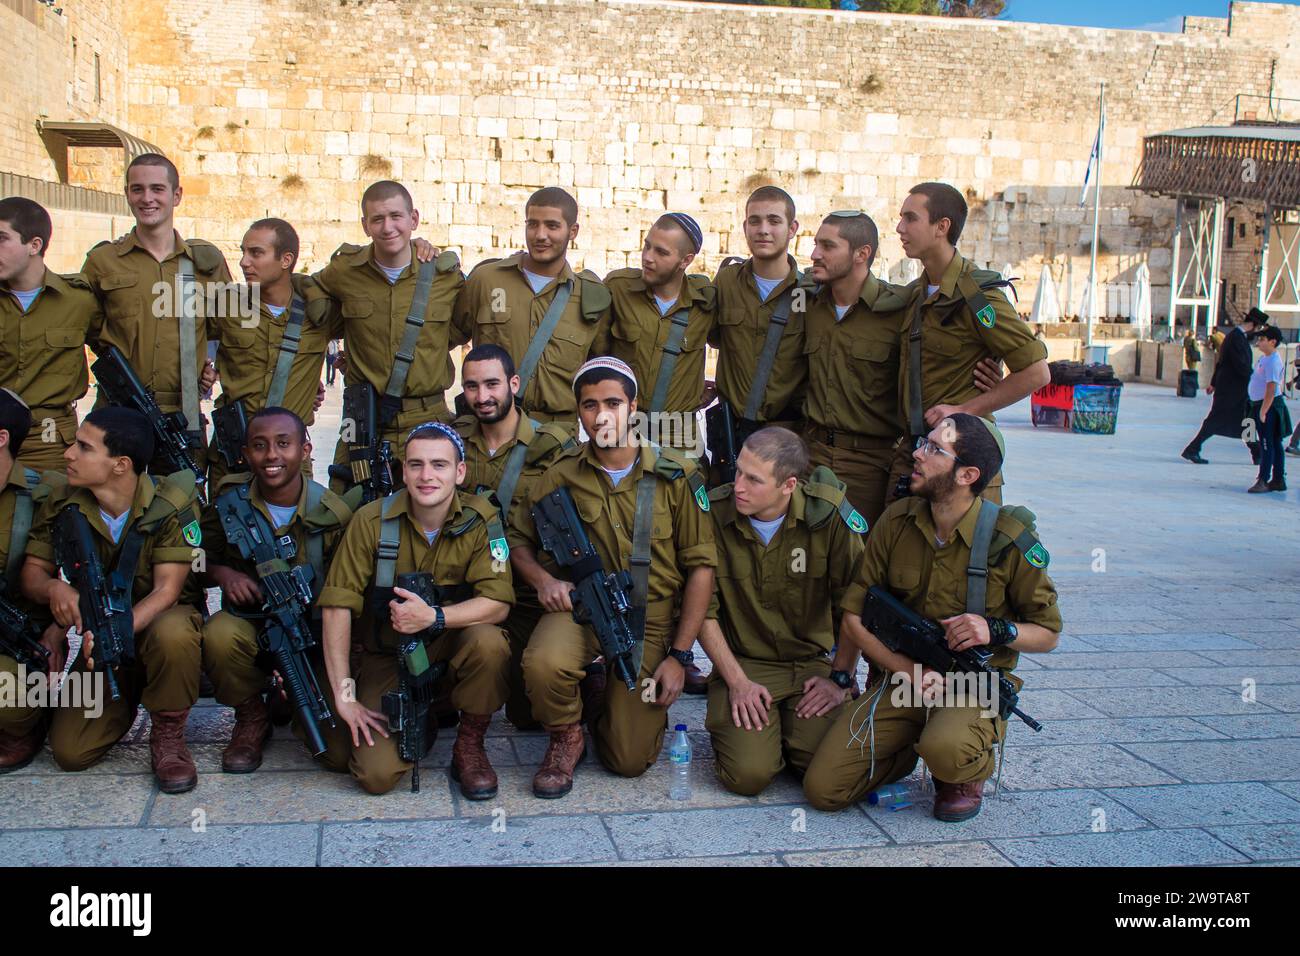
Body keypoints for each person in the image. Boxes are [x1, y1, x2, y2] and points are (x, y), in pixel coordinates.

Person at [803, 414, 1061, 820]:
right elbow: (854, 615)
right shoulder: (898, 520)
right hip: (908, 682)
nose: (917, 455)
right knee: (824, 789)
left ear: (967, 475)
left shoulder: (1006, 539)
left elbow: (1048, 634)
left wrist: (996, 629)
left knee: (947, 749)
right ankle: (910, 745)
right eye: (923, 443)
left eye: (934, 450)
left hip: (970, 687)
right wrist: (905, 670)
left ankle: (966, 768)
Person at [508, 357, 716, 798]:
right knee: (544, 664)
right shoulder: (559, 474)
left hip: (651, 620)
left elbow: (701, 568)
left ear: (634, 407)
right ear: (578, 411)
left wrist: (679, 657)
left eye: (613, 402)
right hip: (582, 610)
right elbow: (517, 542)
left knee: (627, 760)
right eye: (589, 405)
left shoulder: (677, 474)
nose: (601, 415)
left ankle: (603, 701)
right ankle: (566, 736)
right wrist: (543, 582)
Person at [316, 422, 513, 797]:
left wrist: (435, 617)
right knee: (374, 775)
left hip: (451, 650)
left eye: (439, 465)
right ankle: (426, 714)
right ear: (402, 470)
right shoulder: (370, 521)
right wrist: (346, 697)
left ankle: (469, 743)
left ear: (460, 472)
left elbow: (498, 603)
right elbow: (336, 608)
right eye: (416, 465)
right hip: (391, 657)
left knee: (489, 643)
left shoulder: (481, 519)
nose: (427, 476)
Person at [20, 407, 205, 792]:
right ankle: (116, 699)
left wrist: (111, 633)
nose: (69, 453)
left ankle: (168, 734)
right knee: (71, 752)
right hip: (98, 641)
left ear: (121, 465)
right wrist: (55, 589)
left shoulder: (171, 503)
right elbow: (33, 574)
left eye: (84, 448)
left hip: (153, 628)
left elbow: (166, 592)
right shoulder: (61, 500)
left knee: (174, 633)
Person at [699, 426, 866, 796]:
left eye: (753, 480)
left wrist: (840, 678)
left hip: (812, 665)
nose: (738, 486)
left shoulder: (830, 518)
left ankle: (788, 734)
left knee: (829, 769)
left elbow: (856, 606)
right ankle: (763, 736)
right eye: (738, 471)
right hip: (744, 663)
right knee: (748, 776)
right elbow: (702, 613)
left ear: (789, 485)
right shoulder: (713, 514)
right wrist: (737, 683)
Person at [199, 407, 359, 772]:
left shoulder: (332, 514)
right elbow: (192, 559)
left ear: (305, 451)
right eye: (259, 445)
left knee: (336, 754)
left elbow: (350, 589)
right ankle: (252, 715)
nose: (271, 455)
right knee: (219, 635)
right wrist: (224, 574)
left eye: (283, 444)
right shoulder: (228, 504)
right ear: (245, 453)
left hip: (313, 637)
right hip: (251, 627)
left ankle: (290, 698)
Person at [890, 182, 1050, 504]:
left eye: (911, 218)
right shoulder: (916, 295)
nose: (900, 228)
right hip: (917, 455)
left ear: (941, 227)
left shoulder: (977, 296)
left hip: (960, 461)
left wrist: (964, 409)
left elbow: (1036, 373)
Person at [80, 154, 232, 474]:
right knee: (109, 515)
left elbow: (226, 328)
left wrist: (211, 366)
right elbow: (89, 329)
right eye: (137, 189)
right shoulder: (103, 261)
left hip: (182, 415)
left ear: (176, 195)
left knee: (180, 513)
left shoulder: (205, 263)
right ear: (127, 194)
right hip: (117, 411)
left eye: (157, 189)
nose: (147, 198)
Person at [452, 343, 576, 729]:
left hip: (528, 595)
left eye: (492, 384)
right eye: (471, 387)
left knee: (529, 717)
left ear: (514, 383)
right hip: (471, 591)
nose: (482, 397)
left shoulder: (552, 447)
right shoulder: (452, 440)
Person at [314, 180, 466, 490]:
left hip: (427, 416)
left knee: (430, 515)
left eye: (396, 216)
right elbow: (304, 307)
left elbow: (459, 329)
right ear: (365, 225)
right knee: (346, 509)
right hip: (360, 420)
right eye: (377, 219)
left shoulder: (444, 277)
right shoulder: (344, 272)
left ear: (414, 219)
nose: (388, 227)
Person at [453, 187, 611, 433]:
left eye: (552, 226)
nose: (540, 235)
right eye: (532, 224)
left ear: (573, 231)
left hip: (556, 441)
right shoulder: (486, 280)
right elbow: (444, 337)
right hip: (489, 432)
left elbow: (601, 372)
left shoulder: (589, 298)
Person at [802, 211, 910, 527]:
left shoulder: (898, 310)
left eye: (827, 246)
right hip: (812, 458)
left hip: (870, 467)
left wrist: (988, 369)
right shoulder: (806, 303)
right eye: (815, 244)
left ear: (862, 254)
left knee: (859, 561)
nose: (814, 255)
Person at [209, 218, 335, 486]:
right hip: (232, 453)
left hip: (288, 461)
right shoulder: (227, 304)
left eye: (256, 253)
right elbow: (175, 331)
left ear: (286, 259)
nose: (244, 262)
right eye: (243, 252)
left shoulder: (320, 314)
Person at [708, 186, 810, 479]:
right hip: (731, 433)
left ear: (792, 229)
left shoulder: (807, 294)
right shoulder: (726, 283)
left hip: (784, 438)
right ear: (745, 227)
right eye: (755, 221)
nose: (763, 230)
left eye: (774, 221)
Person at [0, 197, 103, 473]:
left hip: (52, 443)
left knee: (52, 513)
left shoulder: (78, 301)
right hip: (0, 438)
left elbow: (121, 348)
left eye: (2, 239)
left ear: (34, 245)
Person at [604, 213, 716, 455]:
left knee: (687, 491)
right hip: (623, 427)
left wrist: (708, 388)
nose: (647, 257)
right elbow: (594, 356)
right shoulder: (618, 289)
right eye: (647, 246)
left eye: (661, 252)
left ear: (685, 260)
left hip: (679, 434)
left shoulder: (704, 301)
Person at [0, 388, 63, 770]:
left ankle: (24, 727)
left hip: (25, 645)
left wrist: (56, 633)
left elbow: (87, 577)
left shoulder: (46, 493)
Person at [1182, 308, 1268, 465]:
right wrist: (1257, 378)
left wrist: (1214, 383)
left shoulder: (1235, 337)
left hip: (1235, 390)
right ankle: (1192, 449)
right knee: (1216, 421)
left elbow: (1222, 362)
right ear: (1253, 325)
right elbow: (1240, 365)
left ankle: (1257, 453)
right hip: (1231, 390)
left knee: (1246, 421)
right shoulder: (1236, 338)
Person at [1247, 325, 1290, 493]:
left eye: (1262, 340)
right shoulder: (1265, 358)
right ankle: (1278, 479)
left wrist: (1263, 411)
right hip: (1263, 405)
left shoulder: (1273, 361)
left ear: (1273, 342)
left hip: (1269, 407)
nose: (1259, 342)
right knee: (1274, 443)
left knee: (1267, 443)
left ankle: (1264, 479)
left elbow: (1271, 388)